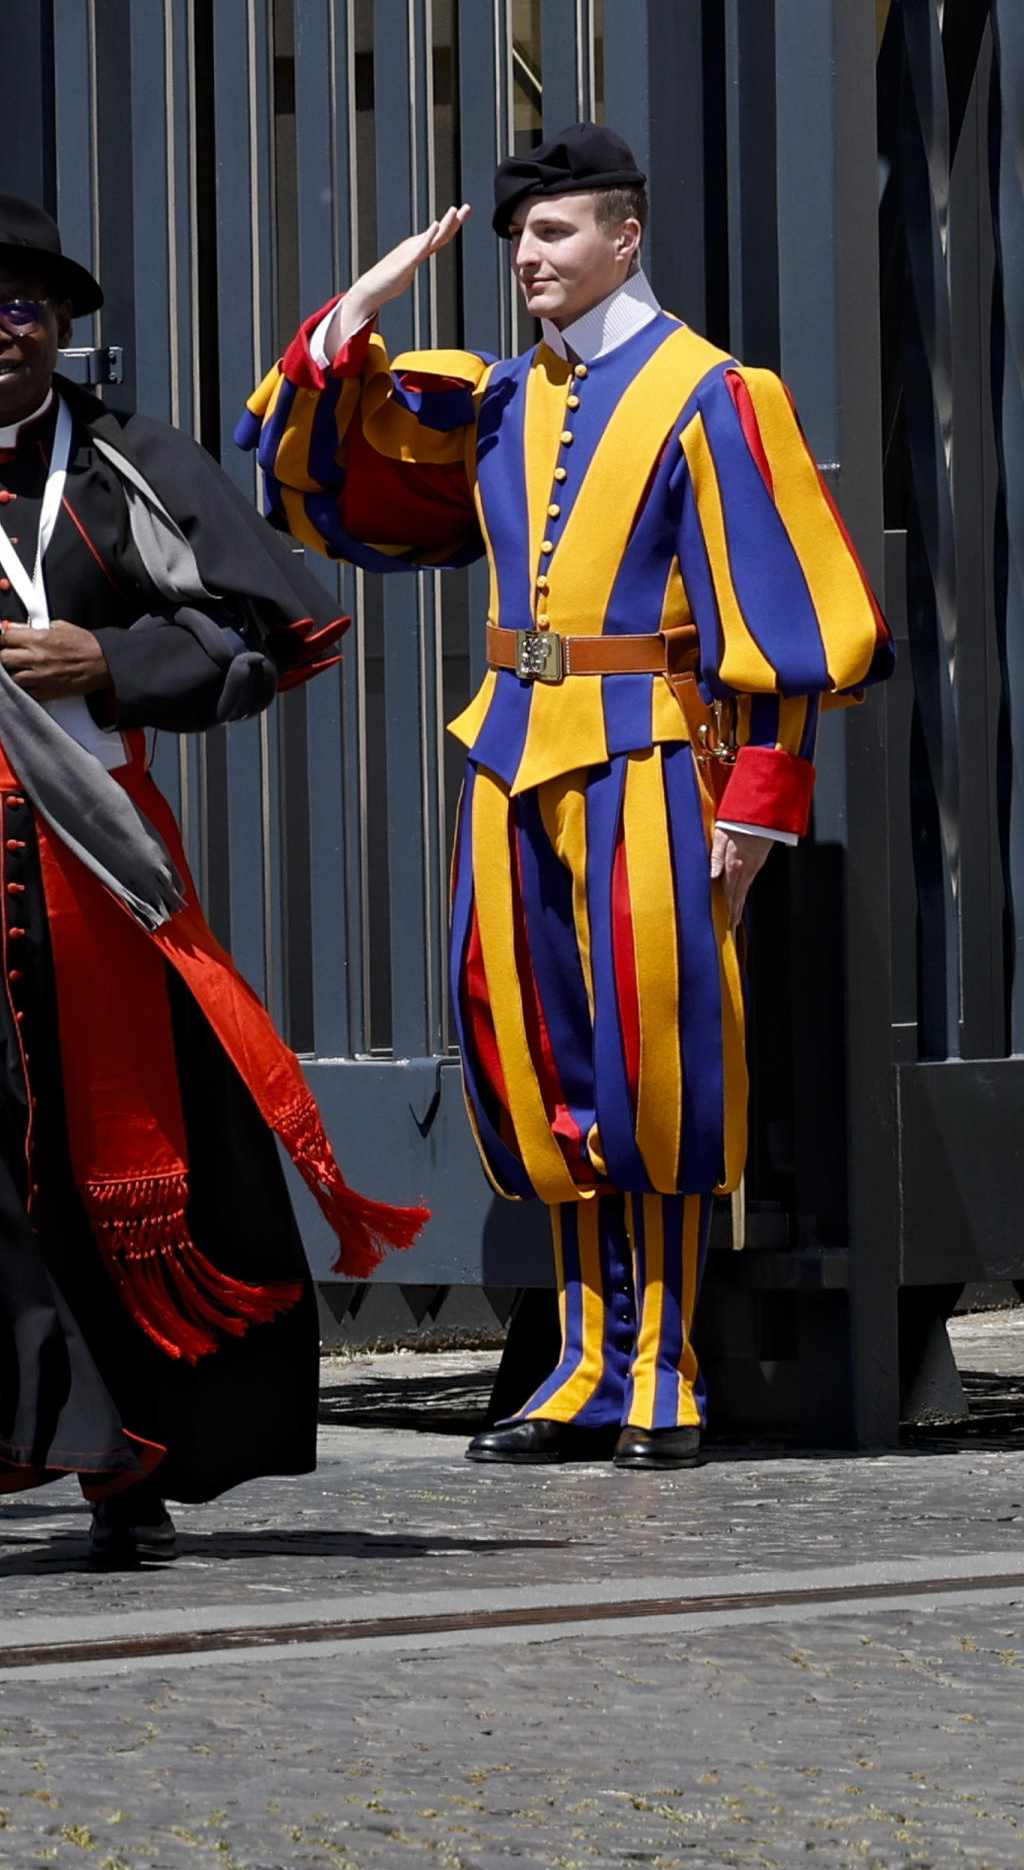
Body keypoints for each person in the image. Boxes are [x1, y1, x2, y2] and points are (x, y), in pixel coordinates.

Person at [0, 191, 423, 1583]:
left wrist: (111, 664)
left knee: (114, 1169)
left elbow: (253, 639)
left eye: (17, 311)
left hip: (99, 859)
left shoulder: (133, 466)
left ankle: (126, 1458)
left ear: (60, 328)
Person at [238, 125, 888, 1471]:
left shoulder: (715, 391)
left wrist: (756, 805)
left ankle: (665, 1367)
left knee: (660, 1063)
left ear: (624, 237)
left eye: (554, 233)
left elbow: (775, 608)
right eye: (519, 238)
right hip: (513, 750)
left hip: (653, 755)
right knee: (544, 1066)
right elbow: (316, 465)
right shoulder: (493, 399)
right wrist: (356, 313)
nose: (527, 258)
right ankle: (586, 1363)